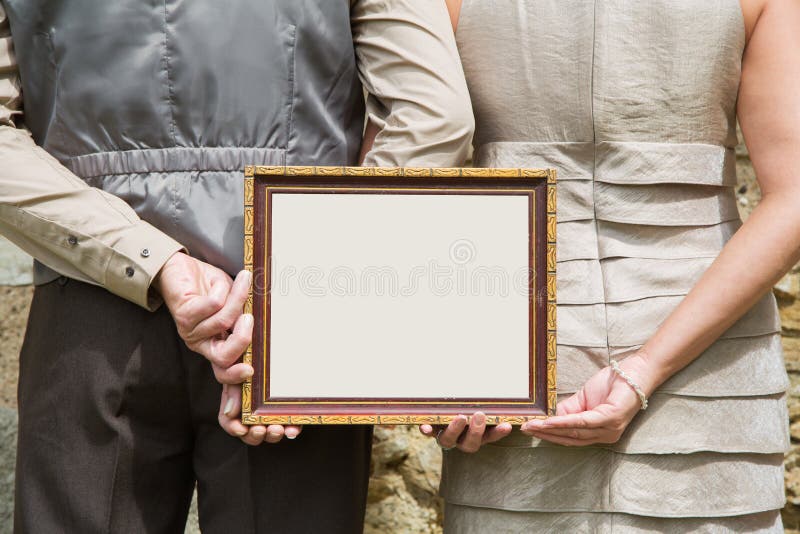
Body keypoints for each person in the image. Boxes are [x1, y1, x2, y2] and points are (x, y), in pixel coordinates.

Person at [0, 1, 473, 532]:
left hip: (90, 306)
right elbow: (435, 115)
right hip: (293, 318)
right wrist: (312, 291)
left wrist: (148, 259)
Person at [419, 0, 799, 531]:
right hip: (704, 364)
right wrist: (646, 366)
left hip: (517, 370)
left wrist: (424, 371)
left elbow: (401, 181)